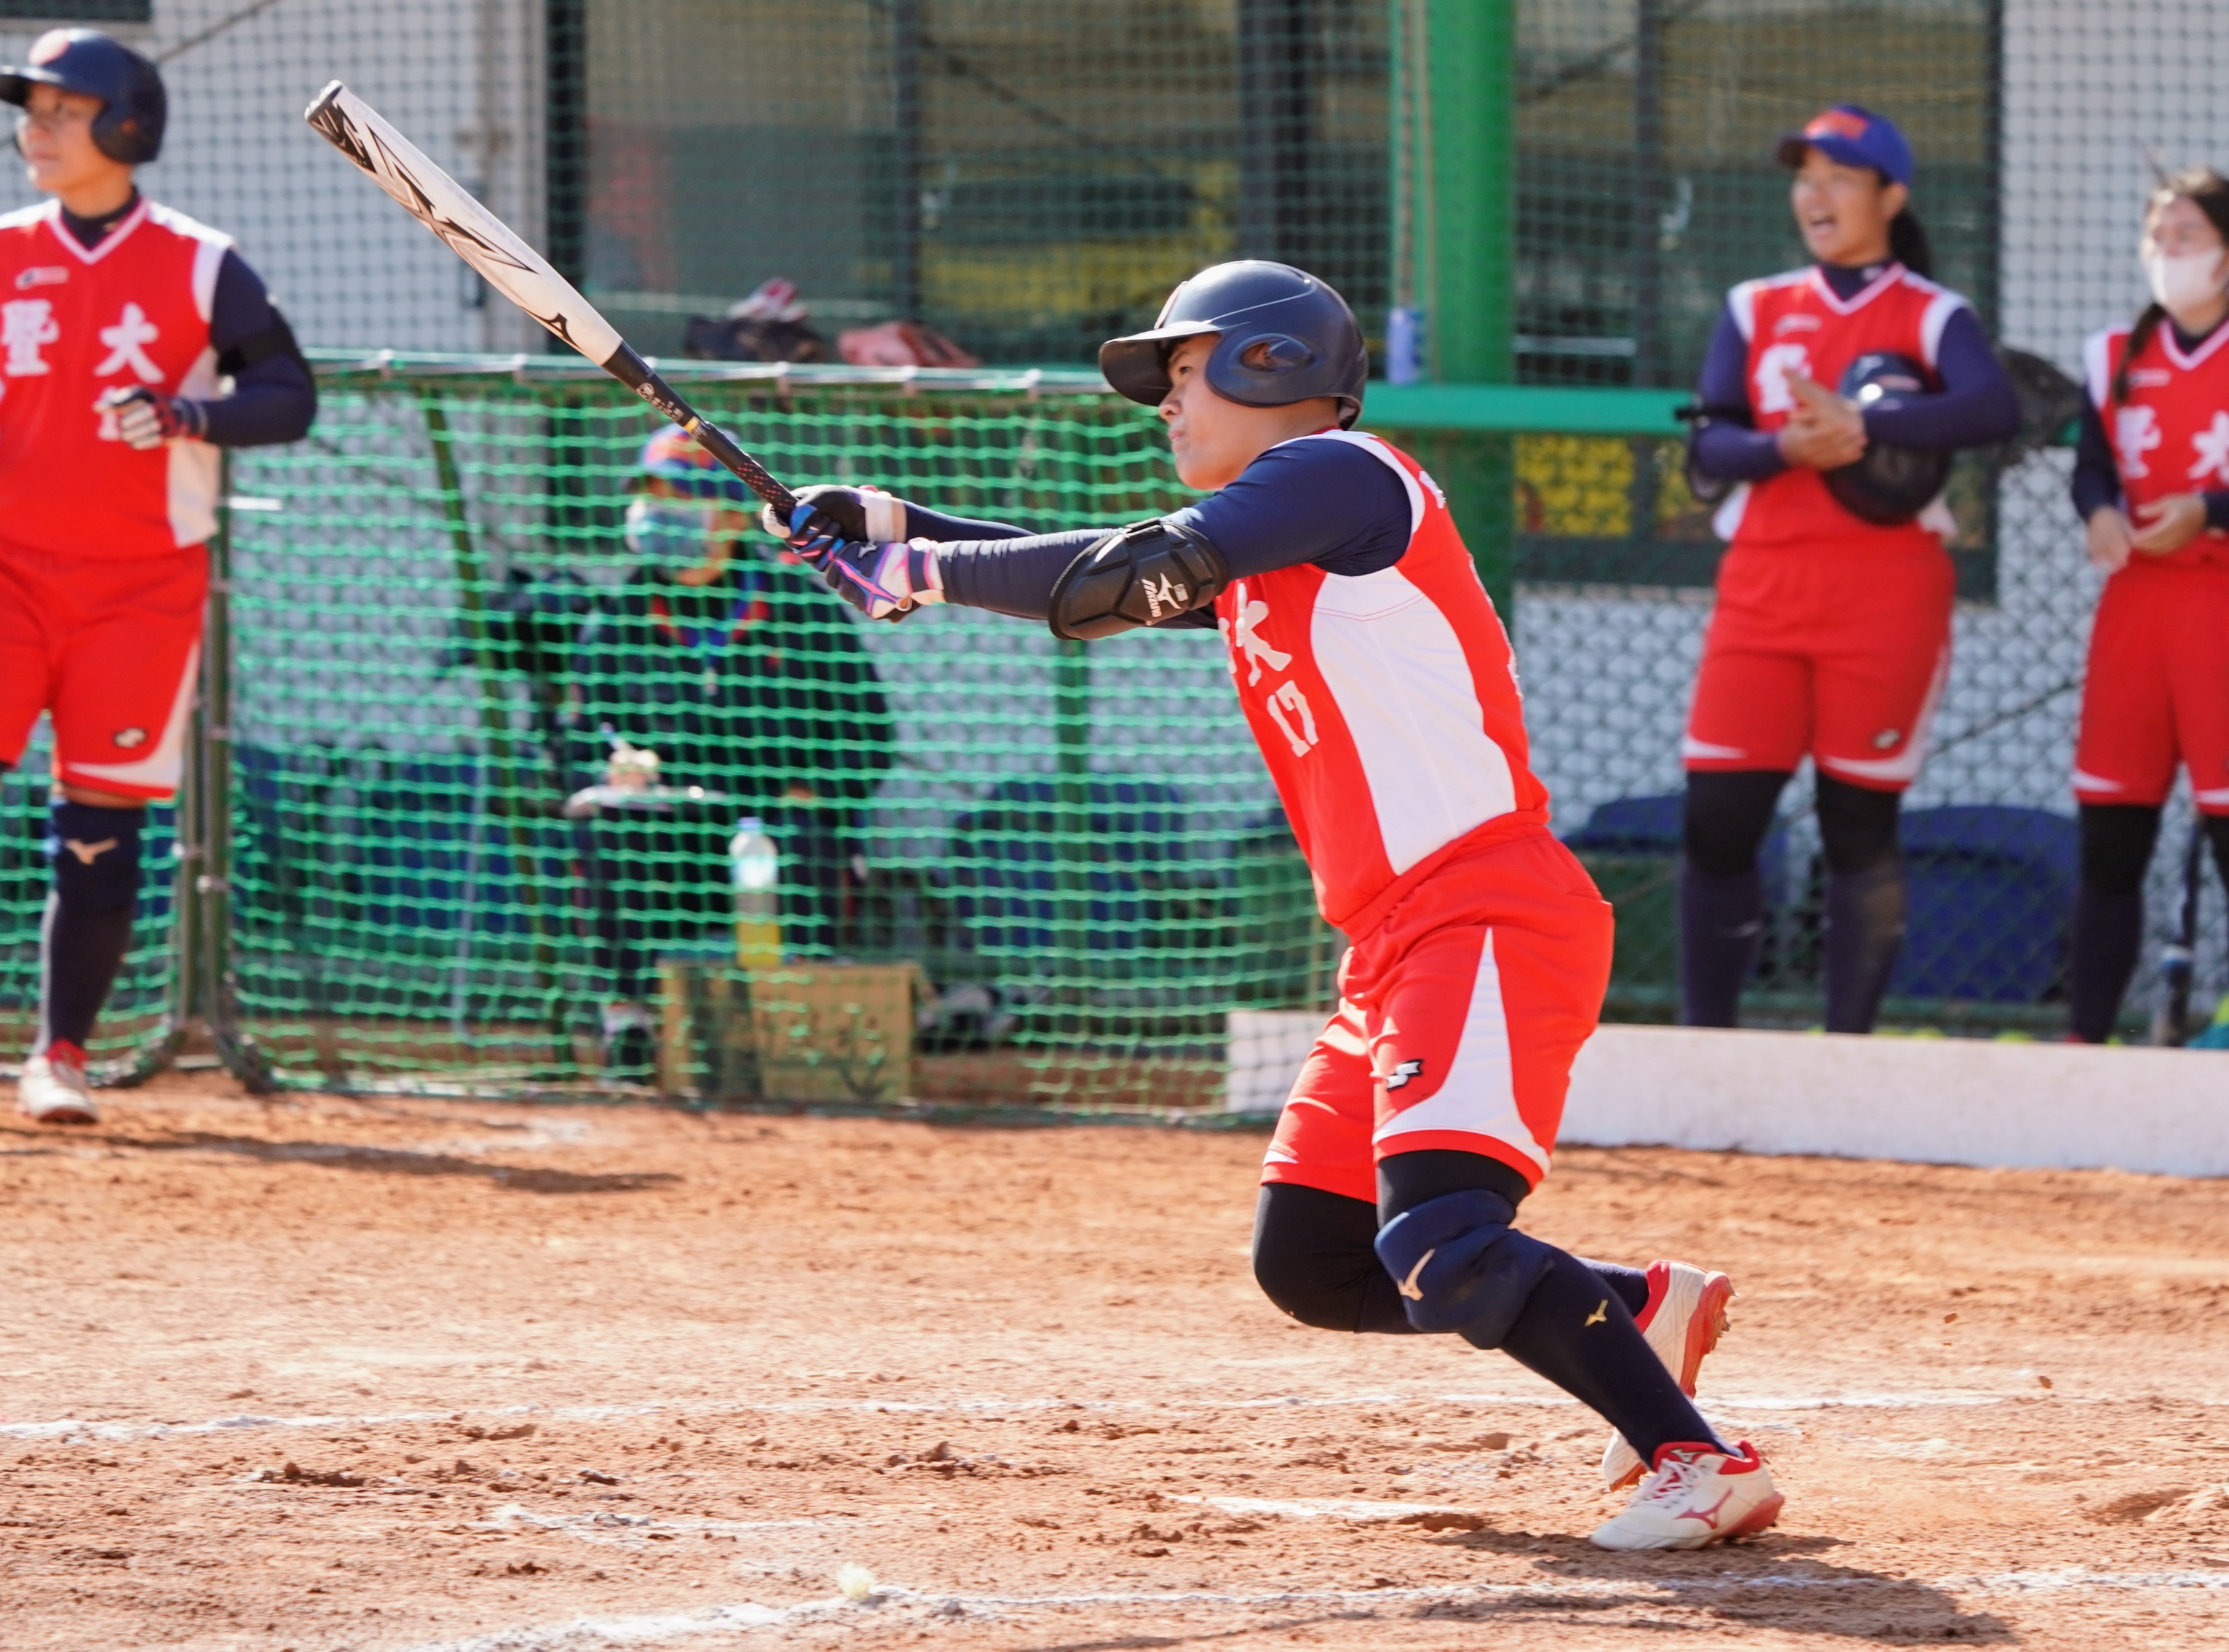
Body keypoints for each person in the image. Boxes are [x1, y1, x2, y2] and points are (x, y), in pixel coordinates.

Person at [767, 260, 1781, 1550]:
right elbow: (1101, 567)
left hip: (1481, 911)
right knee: (1313, 1263)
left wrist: (914, 567)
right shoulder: (1272, 547)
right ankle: (1636, 1310)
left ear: (1270, 369)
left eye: (1183, 372)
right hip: (1395, 939)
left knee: (1444, 1241)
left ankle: (1697, 1458)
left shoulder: (1344, 479)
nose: (1166, 405)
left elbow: (1115, 575)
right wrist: (896, 522)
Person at [0, 31, 315, 1123]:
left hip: (139, 588)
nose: (34, 127)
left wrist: (190, 412)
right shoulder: (3, 250)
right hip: (4, 573)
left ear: (128, 125)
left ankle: (61, 1057)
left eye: (62, 108)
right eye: (28, 108)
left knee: (100, 824)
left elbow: (289, 395)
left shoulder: (200, 262)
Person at [1679, 106, 2019, 1033]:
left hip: (1885, 593)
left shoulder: (1930, 311)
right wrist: (1792, 444)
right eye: (1804, 177)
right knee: (1716, 819)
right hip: (1760, 587)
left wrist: (1867, 424)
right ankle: (1706, 1044)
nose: (1814, 195)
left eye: (1839, 177)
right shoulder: (1755, 305)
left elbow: (1991, 407)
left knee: (1855, 827)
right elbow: (1708, 445)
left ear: (1890, 196)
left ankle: (1845, 1056)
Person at [497, 427, 896, 1074]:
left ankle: (800, 1026)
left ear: (731, 517)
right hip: (671, 841)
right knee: (603, 823)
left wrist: (815, 789)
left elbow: (871, 736)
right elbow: (572, 739)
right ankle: (630, 1018)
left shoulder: (800, 611)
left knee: (801, 836)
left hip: (772, 838)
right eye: (648, 496)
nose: (654, 513)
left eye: (677, 497)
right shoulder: (620, 617)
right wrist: (608, 770)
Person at [2064, 169, 2229, 1043]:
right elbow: (2092, 462)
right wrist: (2096, 509)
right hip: (2133, 611)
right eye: (2158, 235)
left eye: (2188, 234)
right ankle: (2083, 1043)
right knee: (2109, 833)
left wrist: (2208, 512)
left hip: (2219, 607)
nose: (2167, 252)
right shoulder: (2113, 355)